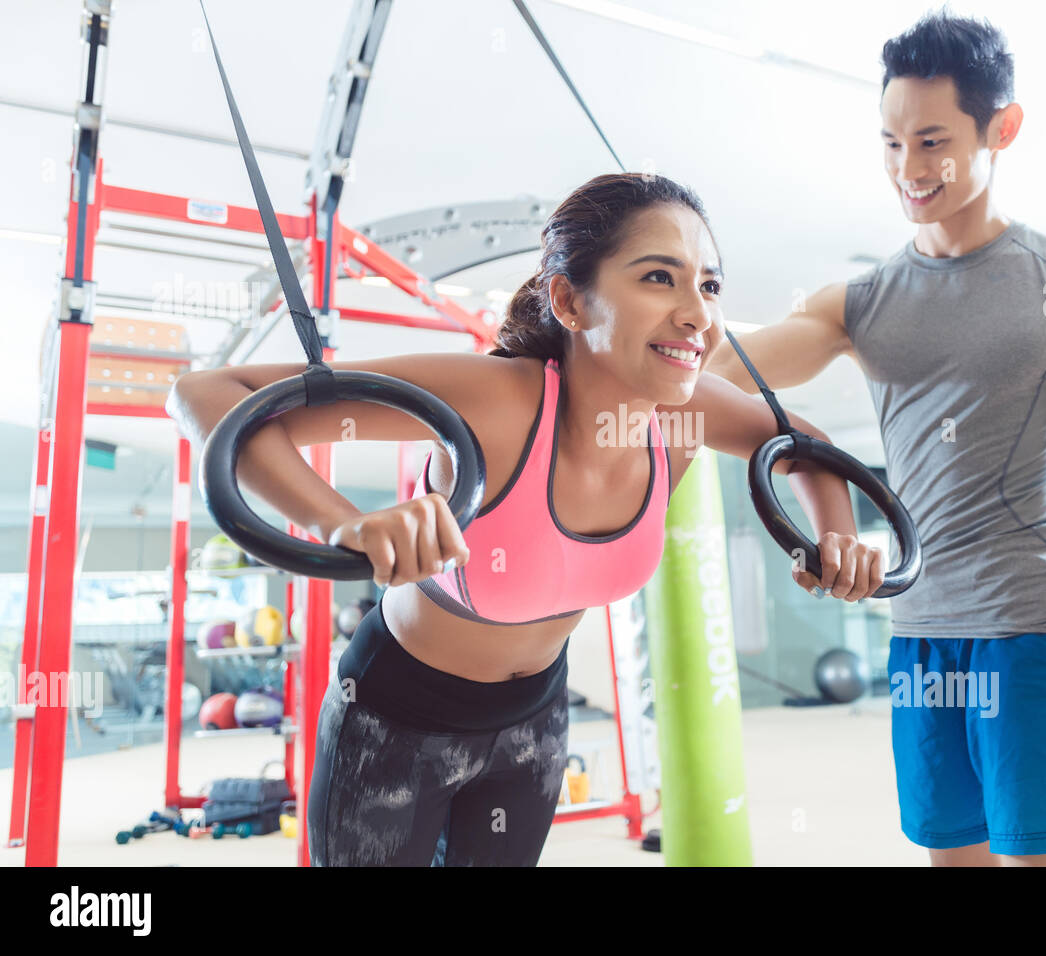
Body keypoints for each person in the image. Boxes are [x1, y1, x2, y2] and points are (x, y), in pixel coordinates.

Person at [168, 172, 880, 866]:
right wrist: (341, 522)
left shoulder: (684, 418)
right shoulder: (498, 401)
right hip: (393, 719)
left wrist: (838, 537)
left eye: (710, 284)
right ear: (570, 302)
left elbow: (808, 454)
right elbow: (206, 394)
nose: (699, 313)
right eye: (660, 278)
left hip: (533, 727)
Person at [707, 12, 1046, 866]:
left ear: (1004, 128)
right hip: (919, 638)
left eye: (931, 141)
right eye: (889, 144)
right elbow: (722, 367)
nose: (908, 171)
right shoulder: (861, 302)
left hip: (1034, 637)